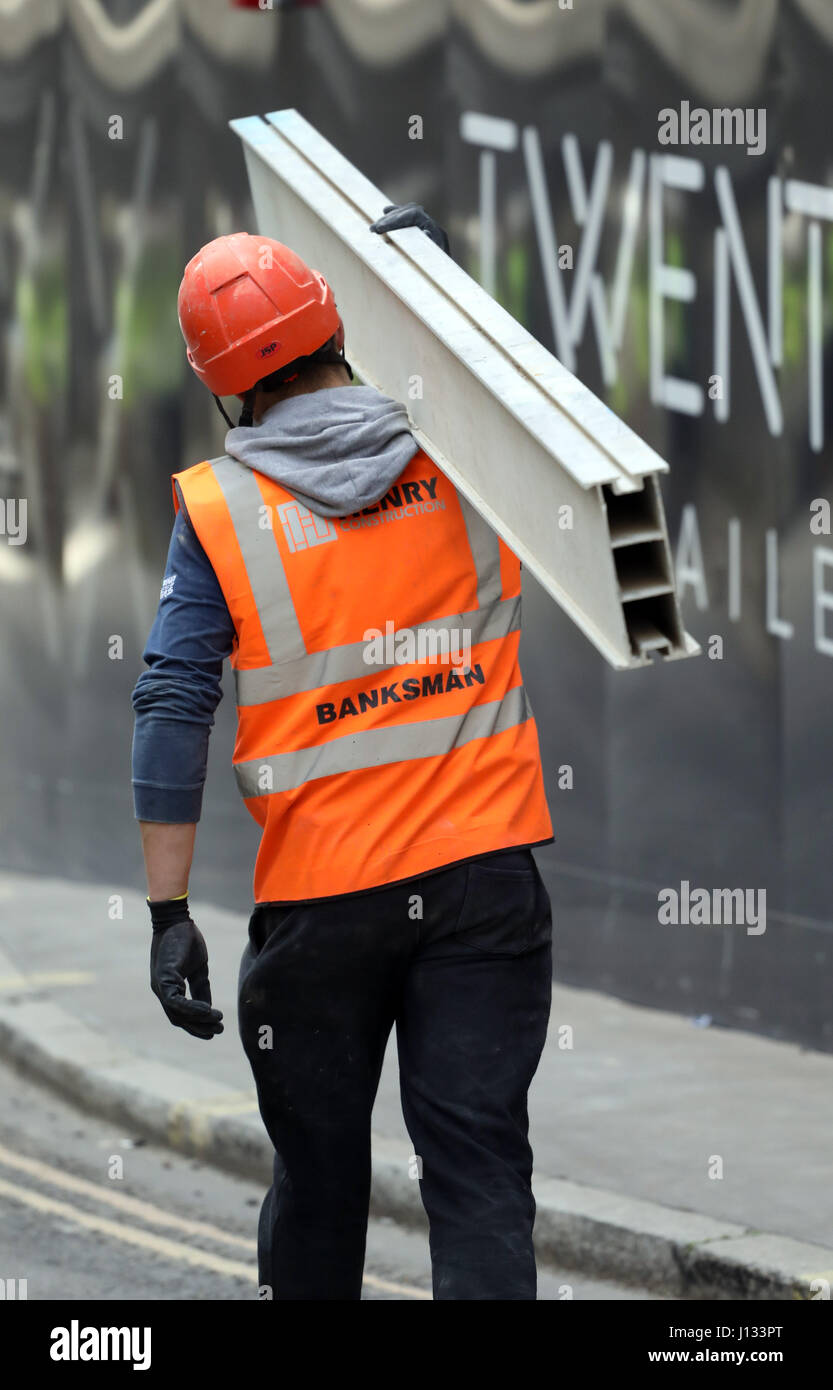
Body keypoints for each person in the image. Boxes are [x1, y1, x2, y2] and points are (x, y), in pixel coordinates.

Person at [132, 208, 554, 1300]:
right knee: (478, 1179)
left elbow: (174, 699)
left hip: (323, 907)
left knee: (319, 1191)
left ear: (224, 386)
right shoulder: (466, 453)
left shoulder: (220, 509)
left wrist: (169, 913)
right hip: (485, 880)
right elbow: (541, 402)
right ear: (335, 325)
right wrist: (438, 281)